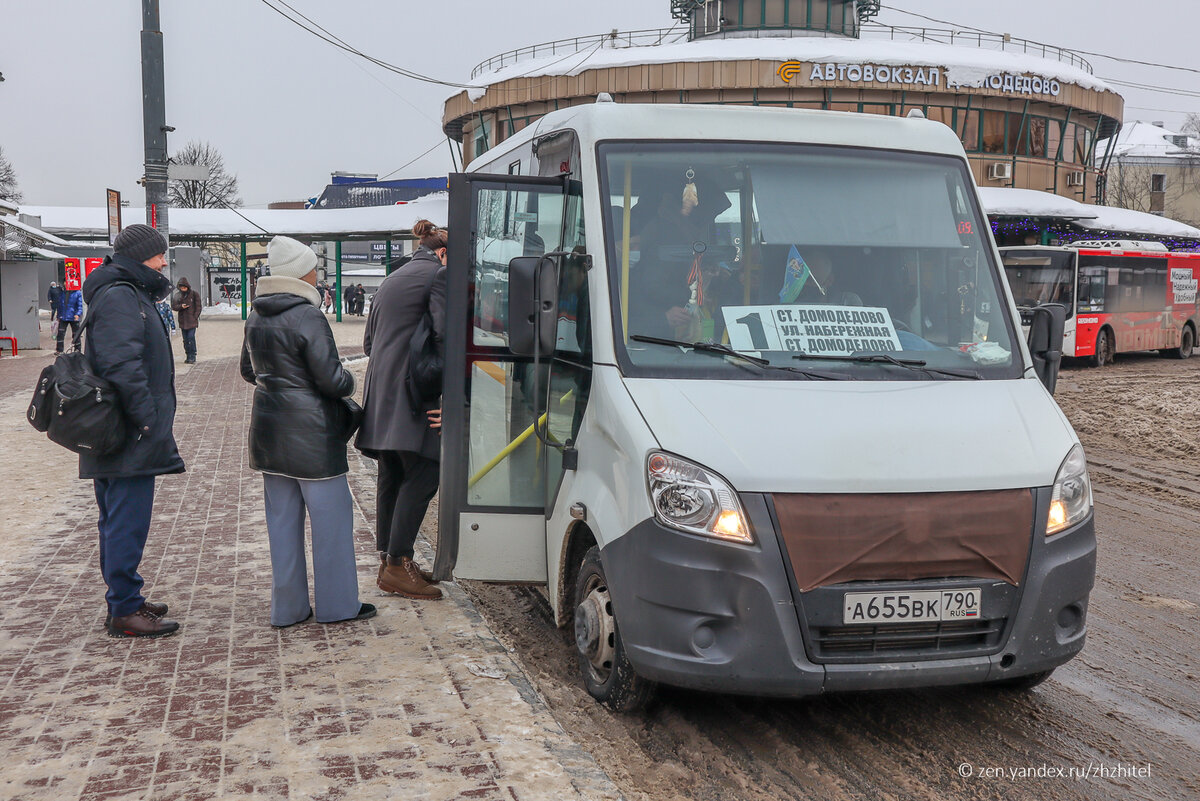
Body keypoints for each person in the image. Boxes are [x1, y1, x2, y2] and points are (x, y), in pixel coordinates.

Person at [241, 235, 375, 627]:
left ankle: (288, 609)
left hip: (268, 431)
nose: (318, 272)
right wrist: (350, 378)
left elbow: (249, 372)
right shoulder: (307, 315)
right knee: (331, 524)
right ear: (302, 272)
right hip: (312, 436)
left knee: (281, 525)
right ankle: (337, 607)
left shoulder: (256, 314)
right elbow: (332, 381)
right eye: (314, 266)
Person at [81, 223, 184, 638]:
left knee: (118, 518)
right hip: (126, 432)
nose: (163, 262)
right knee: (126, 520)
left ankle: (125, 597)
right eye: (159, 255)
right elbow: (122, 366)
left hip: (121, 430)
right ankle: (123, 610)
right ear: (141, 256)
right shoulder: (122, 296)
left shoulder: (126, 292)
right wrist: (147, 419)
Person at [356, 219, 446, 600]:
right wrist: (453, 401)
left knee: (393, 471)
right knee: (427, 470)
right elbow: (446, 338)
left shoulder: (395, 278)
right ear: (443, 252)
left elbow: (367, 342)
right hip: (413, 395)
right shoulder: (438, 276)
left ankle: (389, 560)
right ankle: (398, 563)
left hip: (381, 392)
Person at [793, 251, 863, 306]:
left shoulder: (847, 302)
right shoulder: (785, 303)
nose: (804, 283)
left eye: (810, 280)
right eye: (800, 279)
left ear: (829, 280)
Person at [172, 276, 202, 363]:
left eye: (184, 287)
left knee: (191, 338)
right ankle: (188, 355)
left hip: (192, 321)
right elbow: (174, 306)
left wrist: (195, 316)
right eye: (181, 287)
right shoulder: (177, 295)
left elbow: (198, 306)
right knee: (185, 340)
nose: (183, 289)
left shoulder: (194, 294)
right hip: (182, 321)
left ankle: (193, 355)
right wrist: (181, 306)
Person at [54, 287, 83, 353]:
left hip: (74, 317)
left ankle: (77, 350)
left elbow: (80, 305)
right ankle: (59, 350)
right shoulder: (62, 292)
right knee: (60, 334)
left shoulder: (77, 292)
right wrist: (58, 315)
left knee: (76, 334)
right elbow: (59, 305)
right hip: (63, 317)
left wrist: (78, 314)